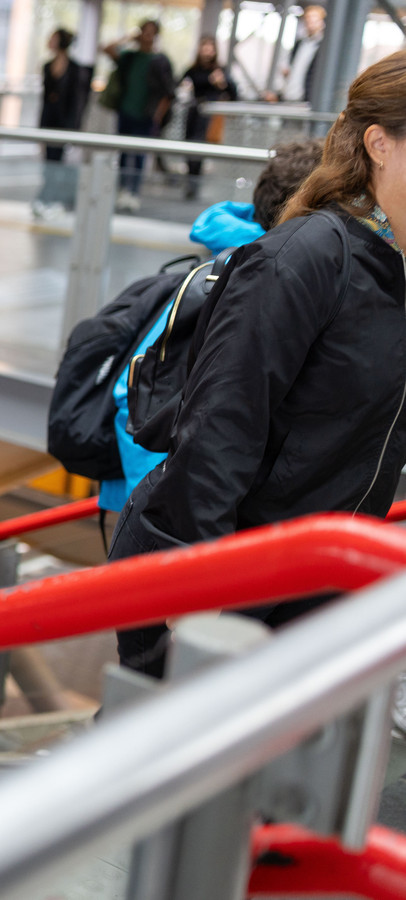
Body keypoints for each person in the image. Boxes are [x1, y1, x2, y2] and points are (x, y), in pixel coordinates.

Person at [109, 50, 406, 678]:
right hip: (223, 577)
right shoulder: (304, 258)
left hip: (310, 576)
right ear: (379, 143)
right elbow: (220, 429)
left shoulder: (397, 266)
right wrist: (200, 597)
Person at [97, 138, 326, 519]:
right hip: (160, 510)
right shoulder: (246, 277)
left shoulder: (269, 270)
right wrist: (155, 516)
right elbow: (135, 398)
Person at [103, 20, 176, 212]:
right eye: (144, 32)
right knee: (124, 153)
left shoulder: (161, 60)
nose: (147, 36)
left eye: (151, 32)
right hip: (125, 112)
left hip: (146, 116)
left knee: (139, 156)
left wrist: (157, 117)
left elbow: (168, 92)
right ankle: (123, 191)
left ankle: (133, 192)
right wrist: (129, 37)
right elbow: (107, 49)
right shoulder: (130, 57)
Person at [33, 28, 92, 218]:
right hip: (49, 119)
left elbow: (77, 99)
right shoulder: (47, 65)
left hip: (64, 122)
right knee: (50, 159)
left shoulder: (75, 69)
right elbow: (46, 96)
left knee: (56, 160)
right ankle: (47, 198)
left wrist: (74, 125)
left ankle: (49, 198)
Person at [181, 36, 237, 200]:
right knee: (189, 146)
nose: (207, 51)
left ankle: (195, 185)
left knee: (200, 148)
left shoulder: (219, 70)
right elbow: (182, 82)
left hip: (208, 116)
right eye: (204, 47)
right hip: (194, 112)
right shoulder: (194, 70)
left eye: (210, 47)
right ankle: (190, 182)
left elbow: (233, 92)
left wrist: (221, 84)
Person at [266, 5, 326, 103]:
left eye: (314, 19)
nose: (310, 23)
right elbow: (292, 73)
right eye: (308, 19)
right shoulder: (299, 44)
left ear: (322, 22)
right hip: (291, 97)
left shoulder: (324, 48)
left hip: (307, 100)